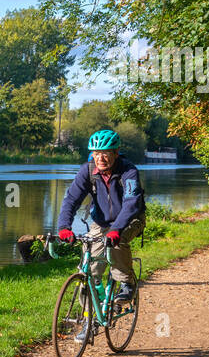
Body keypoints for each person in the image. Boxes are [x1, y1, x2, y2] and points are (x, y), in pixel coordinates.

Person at [57, 129, 146, 316]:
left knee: (116, 240)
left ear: (116, 152)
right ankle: (90, 319)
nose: (100, 158)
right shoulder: (88, 171)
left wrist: (116, 229)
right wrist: (64, 227)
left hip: (131, 219)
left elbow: (131, 203)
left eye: (105, 153)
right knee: (88, 270)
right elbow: (72, 199)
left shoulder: (128, 171)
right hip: (101, 223)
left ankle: (126, 282)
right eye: (96, 153)